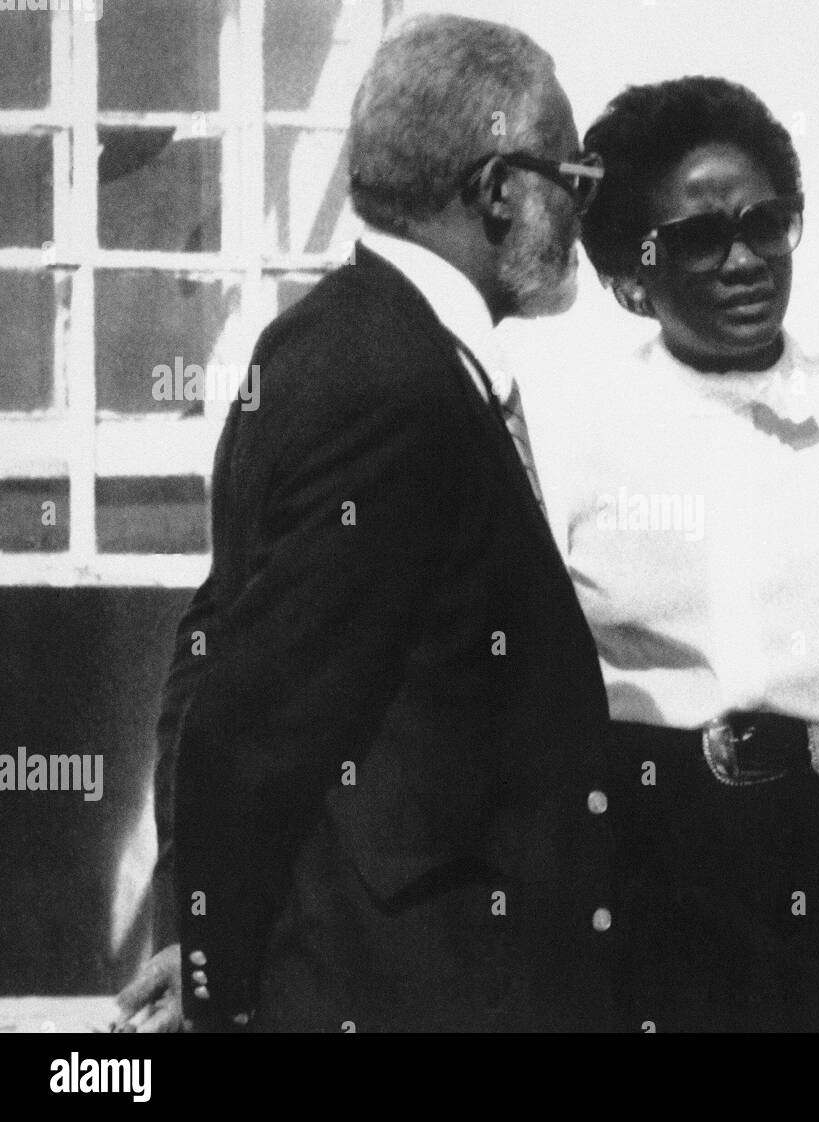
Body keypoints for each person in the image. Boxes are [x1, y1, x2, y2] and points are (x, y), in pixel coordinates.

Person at [115, 13, 617, 1032]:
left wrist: (188, 925)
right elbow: (249, 718)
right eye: (576, 178)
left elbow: (211, 647)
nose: (582, 209)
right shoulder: (391, 380)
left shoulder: (332, 339)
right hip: (406, 986)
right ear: (497, 189)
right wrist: (212, 972)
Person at [522, 75, 819, 1032]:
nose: (743, 261)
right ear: (630, 273)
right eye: (699, 238)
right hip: (649, 888)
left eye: (767, 225)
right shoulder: (569, 433)